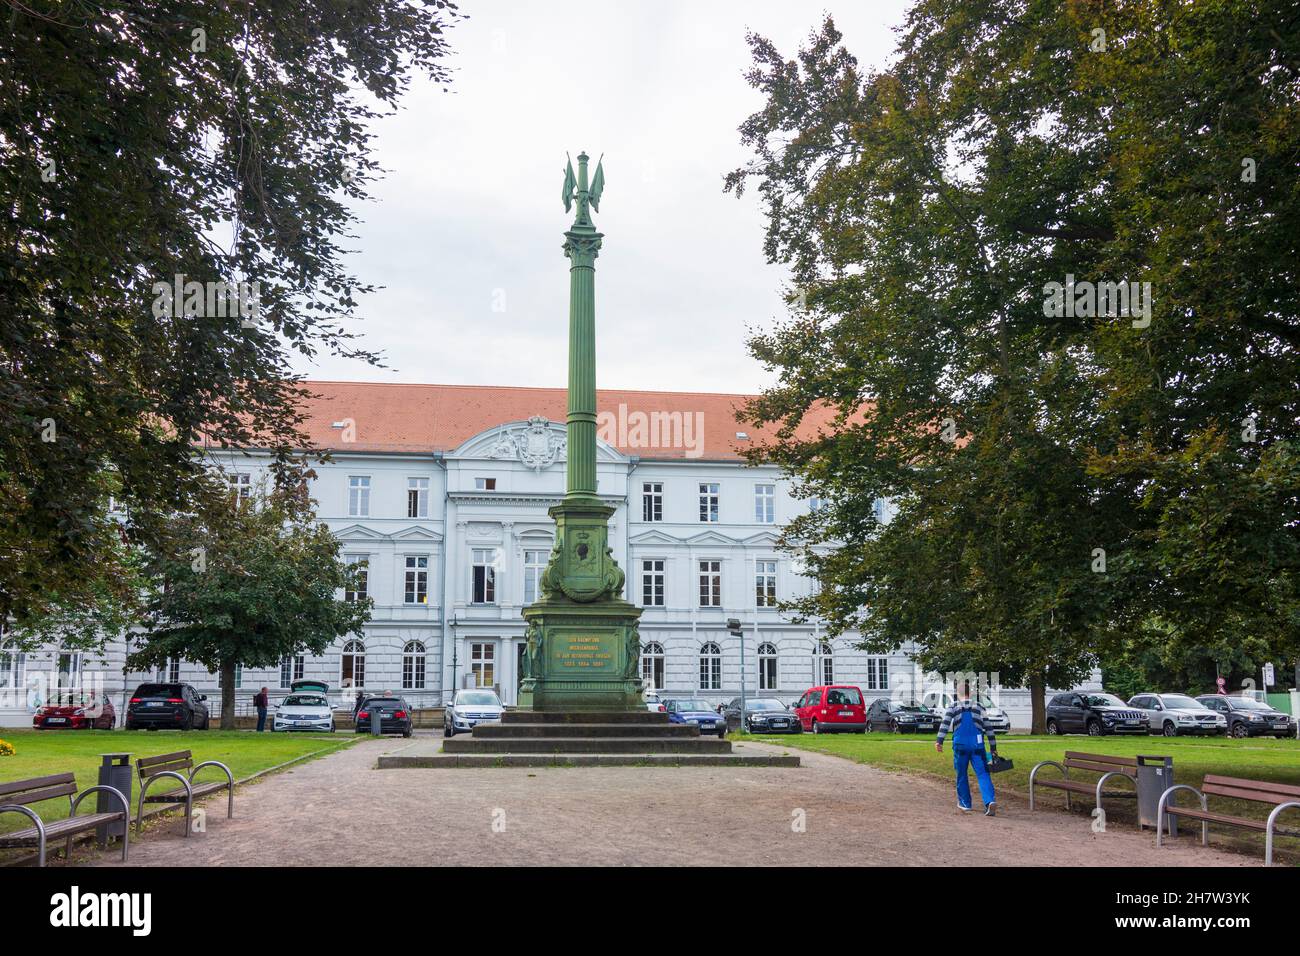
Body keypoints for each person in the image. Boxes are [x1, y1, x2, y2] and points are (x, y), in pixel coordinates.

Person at [935, 682, 997, 816]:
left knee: (961, 774)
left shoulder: (953, 706)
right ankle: (989, 801)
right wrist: (993, 747)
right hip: (977, 746)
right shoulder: (979, 707)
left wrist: (939, 741)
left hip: (960, 746)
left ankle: (965, 803)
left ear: (958, 693)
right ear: (971, 693)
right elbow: (989, 728)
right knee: (983, 774)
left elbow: (945, 724)